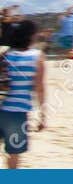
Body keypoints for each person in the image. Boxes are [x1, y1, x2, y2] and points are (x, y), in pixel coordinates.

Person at [1, 20, 46, 168]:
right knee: (13, 154)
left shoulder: (5, 54)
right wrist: (42, 116)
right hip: (17, 114)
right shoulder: (37, 56)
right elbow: (39, 89)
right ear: (32, 36)